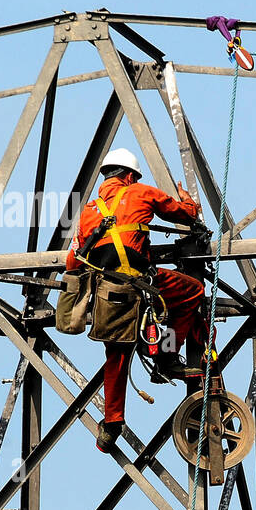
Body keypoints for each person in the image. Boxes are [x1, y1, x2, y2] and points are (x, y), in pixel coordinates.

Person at [67, 148, 209, 452]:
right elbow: (184, 213)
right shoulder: (140, 192)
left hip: (109, 294)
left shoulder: (88, 212)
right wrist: (188, 201)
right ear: (130, 176)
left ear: (106, 176)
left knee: (116, 356)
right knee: (192, 291)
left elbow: (72, 262)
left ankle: (111, 424)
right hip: (143, 284)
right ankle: (167, 357)